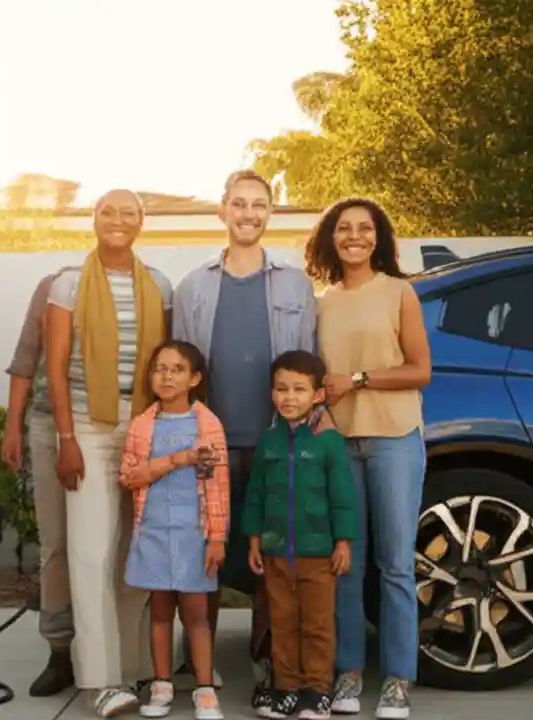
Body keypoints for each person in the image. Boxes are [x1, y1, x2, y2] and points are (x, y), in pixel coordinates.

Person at [171, 169, 318, 702]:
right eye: (239, 203)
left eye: (258, 204)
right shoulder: (193, 286)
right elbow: (179, 369)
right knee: (204, 553)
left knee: (271, 559)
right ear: (222, 211)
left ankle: (267, 660)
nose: (248, 213)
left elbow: (310, 363)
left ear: (269, 212)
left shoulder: (296, 284)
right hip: (207, 445)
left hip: (276, 442)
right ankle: (199, 660)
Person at [44, 188, 174, 717]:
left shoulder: (159, 285)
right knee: (91, 551)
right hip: (90, 429)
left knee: (133, 555)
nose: (117, 220)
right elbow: (54, 368)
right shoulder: (68, 285)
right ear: (93, 220)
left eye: (128, 212)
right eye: (107, 211)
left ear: (141, 223)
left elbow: (168, 363)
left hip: (144, 426)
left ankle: (131, 670)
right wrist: (66, 438)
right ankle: (99, 678)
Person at [306, 197, 431, 719]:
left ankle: (399, 679)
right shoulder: (323, 300)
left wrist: (357, 380)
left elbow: (420, 369)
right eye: (343, 228)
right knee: (345, 565)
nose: (353, 235)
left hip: (394, 437)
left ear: (377, 237)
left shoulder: (400, 292)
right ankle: (350, 672)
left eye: (363, 228)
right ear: (330, 239)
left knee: (396, 565)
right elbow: (318, 381)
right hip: (341, 444)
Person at [242, 350, 357, 720]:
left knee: (318, 624)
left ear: (318, 394)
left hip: (318, 552)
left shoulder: (329, 442)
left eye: (298, 389)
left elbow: (342, 496)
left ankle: (316, 691)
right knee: (282, 622)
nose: (288, 398)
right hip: (276, 551)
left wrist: (343, 542)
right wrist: (254, 539)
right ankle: (286, 688)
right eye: (280, 389)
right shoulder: (269, 442)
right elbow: (256, 494)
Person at [118, 339, 229, 720]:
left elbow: (217, 486)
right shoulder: (142, 426)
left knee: (196, 613)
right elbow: (130, 476)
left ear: (194, 378)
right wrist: (176, 459)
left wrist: (216, 537)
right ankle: (161, 683)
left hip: (193, 533)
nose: (166, 376)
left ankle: (204, 688)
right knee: (161, 612)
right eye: (160, 368)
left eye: (177, 369)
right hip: (153, 532)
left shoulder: (208, 425)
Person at [0, 265, 79, 697]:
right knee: (56, 543)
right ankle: (59, 650)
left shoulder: (139, 285)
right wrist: (13, 426)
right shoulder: (52, 286)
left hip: (111, 426)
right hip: (50, 423)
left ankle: (123, 650)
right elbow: (25, 358)